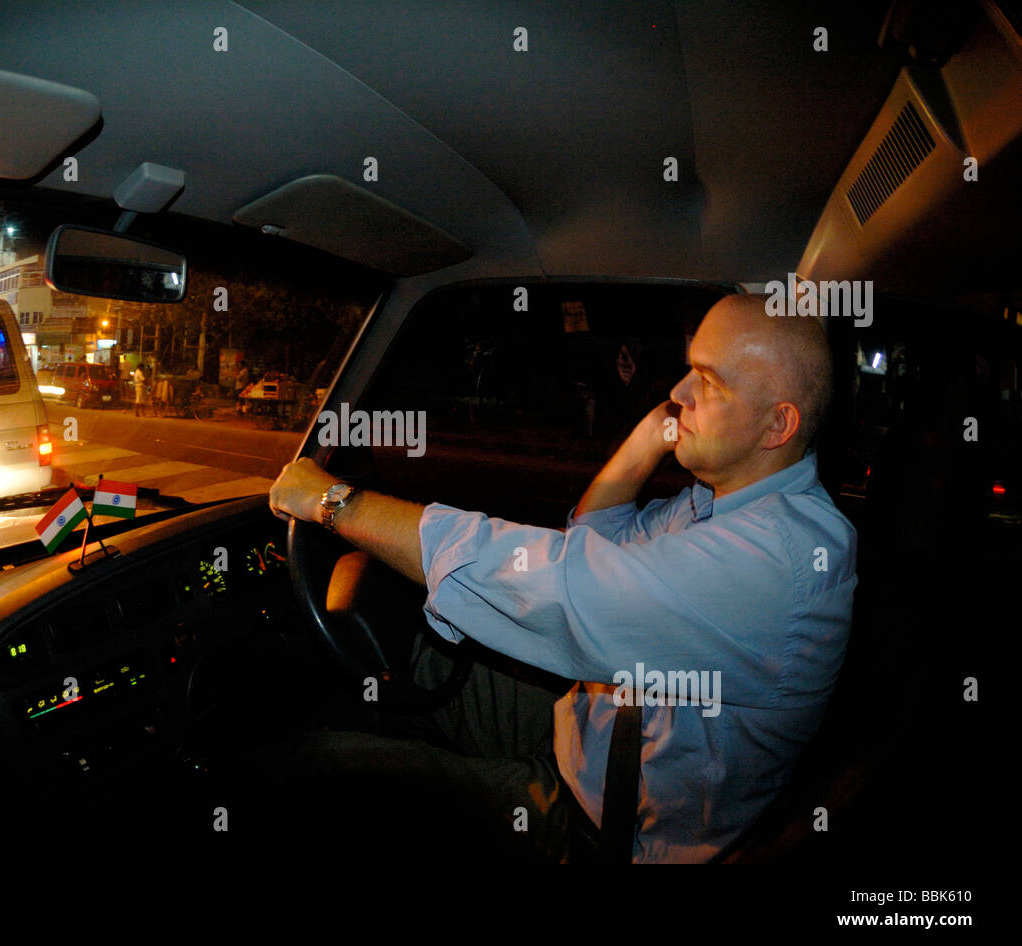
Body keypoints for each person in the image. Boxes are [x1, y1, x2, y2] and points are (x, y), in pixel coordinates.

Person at [264, 294, 856, 862]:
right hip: (586, 729)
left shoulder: (781, 558)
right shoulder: (719, 501)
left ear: (777, 426)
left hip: (605, 827)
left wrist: (335, 502)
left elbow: (562, 584)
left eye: (709, 382)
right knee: (415, 665)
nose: (678, 393)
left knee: (316, 767)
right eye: (687, 370)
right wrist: (650, 437)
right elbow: (592, 540)